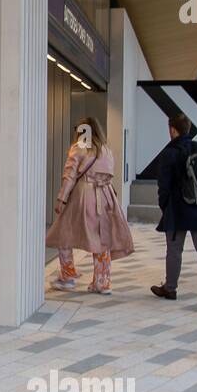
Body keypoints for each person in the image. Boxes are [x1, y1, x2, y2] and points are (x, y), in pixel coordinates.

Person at [45, 116, 135, 293]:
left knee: (63, 233)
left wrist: (61, 199)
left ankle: (67, 276)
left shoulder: (79, 149)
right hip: (106, 196)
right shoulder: (106, 150)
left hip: (84, 196)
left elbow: (69, 176)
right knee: (102, 239)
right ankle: (102, 283)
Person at [151, 113, 197, 311]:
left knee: (174, 250)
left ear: (173, 130)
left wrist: (165, 207)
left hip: (178, 208)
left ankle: (170, 288)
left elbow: (163, 185)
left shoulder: (169, 152)